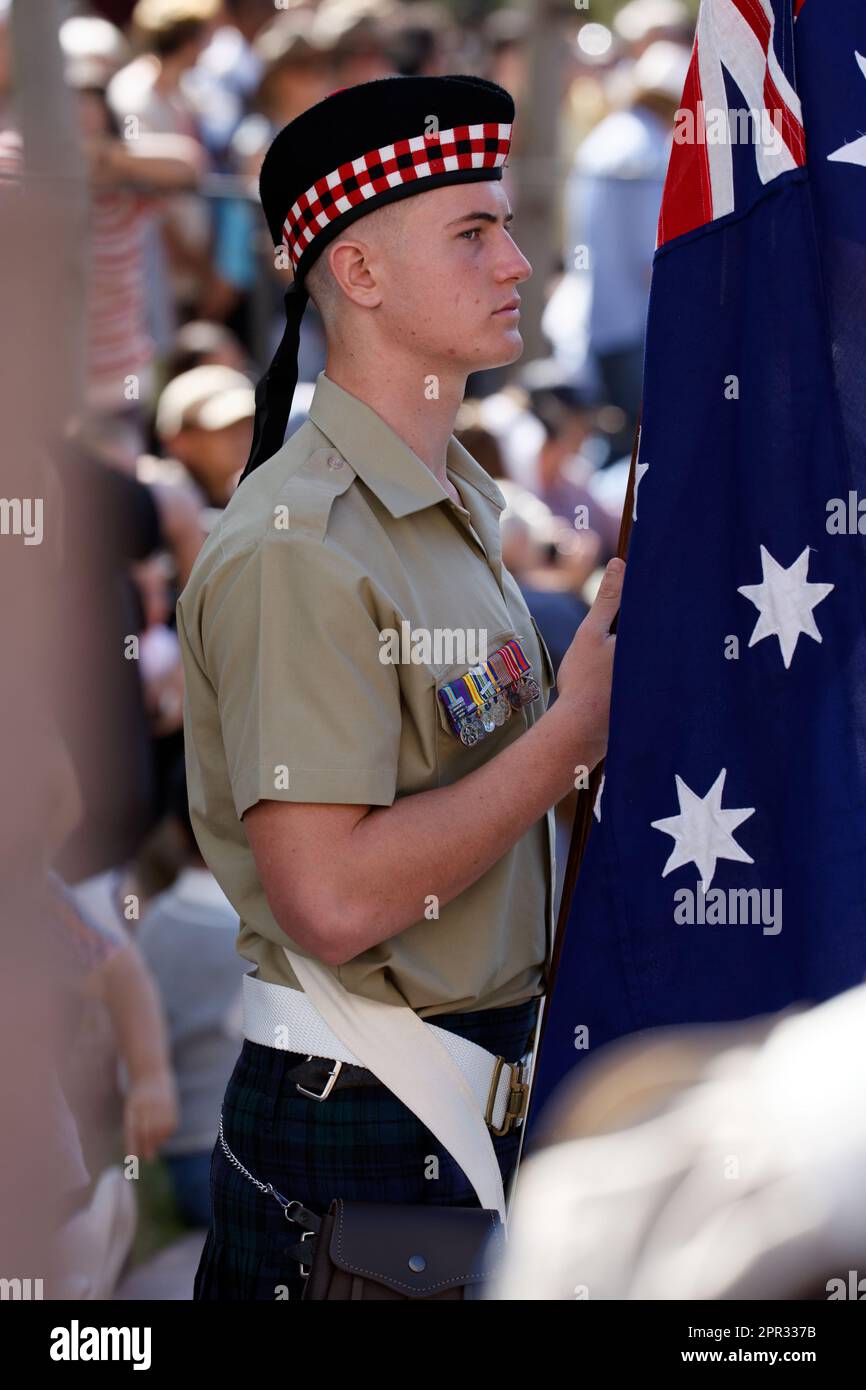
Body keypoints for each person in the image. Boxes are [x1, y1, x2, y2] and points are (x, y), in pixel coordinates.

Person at [176, 73, 624, 1301]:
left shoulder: (450, 507)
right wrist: (568, 734)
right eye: (473, 233)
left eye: (509, 227)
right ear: (360, 275)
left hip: (447, 1107)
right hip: (362, 1120)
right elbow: (326, 900)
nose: (519, 263)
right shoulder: (300, 546)